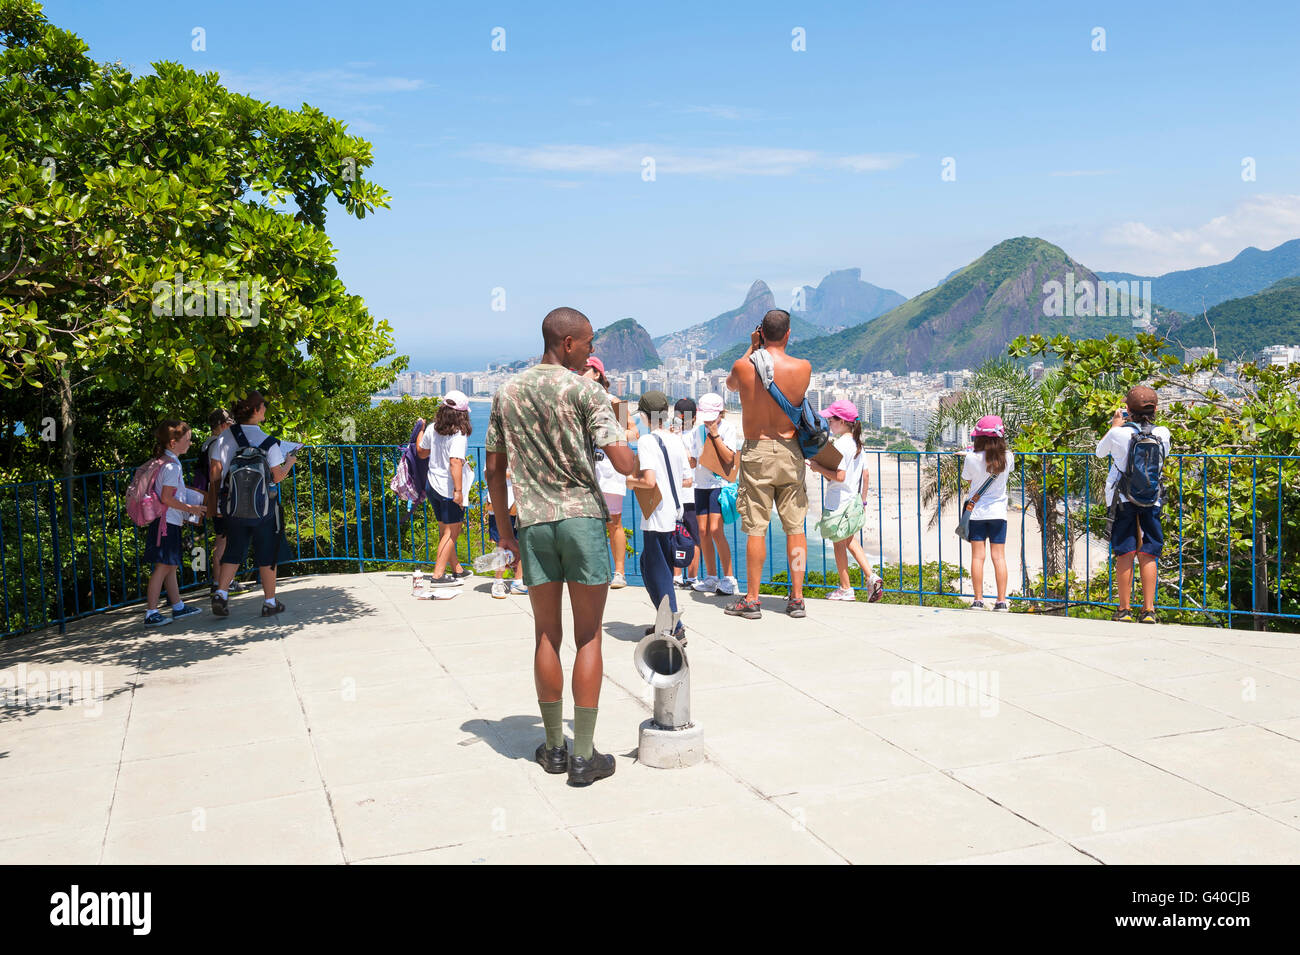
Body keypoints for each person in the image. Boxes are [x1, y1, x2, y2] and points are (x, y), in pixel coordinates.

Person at [485, 307, 637, 787]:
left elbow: (493, 468)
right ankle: (585, 757)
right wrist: (629, 442)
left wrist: (505, 531)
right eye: (589, 341)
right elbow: (623, 460)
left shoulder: (506, 392)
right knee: (588, 637)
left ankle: (553, 749)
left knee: (546, 635)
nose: (594, 349)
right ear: (567, 343)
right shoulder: (586, 391)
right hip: (583, 520)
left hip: (532, 522)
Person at [724, 309, 812, 619]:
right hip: (790, 451)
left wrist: (752, 348)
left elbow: (731, 385)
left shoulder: (743, 366)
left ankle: (752, 598)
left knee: (756, 529)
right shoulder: (803, 368)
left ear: (761, 332)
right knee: (795, 527)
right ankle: (797, 597)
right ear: (789, 334)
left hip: (757, 451)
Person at [209, 392, 299, 618]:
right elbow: (277, 477)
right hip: (264, 508)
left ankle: (221, 593)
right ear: (256, 410)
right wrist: (289, 463)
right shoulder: (268, 442)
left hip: (233, 505)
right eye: (264, 406)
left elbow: (215, 474)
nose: (266, 409)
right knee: (267, 553)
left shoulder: (225, 438)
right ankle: (269, 602)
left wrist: (219, 502)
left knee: (233, 550)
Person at [1096, 385, 1170, 624]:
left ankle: (1124, 609)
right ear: (1155, 409)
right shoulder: (1163, 433)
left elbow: (1099, 452)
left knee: (1125, 552)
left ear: (1127, 409)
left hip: (1122, 499)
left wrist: (1115, 425)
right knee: (1149, 552)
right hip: (1151, 497)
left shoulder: (1119, 433)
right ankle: (1148, 610)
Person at [624, 392, 691, 643]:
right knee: (649, 567)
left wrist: (630, 481)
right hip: (674, 512)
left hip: (656, 515)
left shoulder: (648, 441)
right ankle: (667, 621)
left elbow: (649, 480)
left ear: (643, 415)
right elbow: (687, 479)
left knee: (658, 573)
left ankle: (674, 626)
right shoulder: (675, 439)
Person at [807, 400, 884, 602]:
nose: (829, 423)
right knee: (848, 540)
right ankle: (868, 577)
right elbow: (865, 475)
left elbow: (839, 476)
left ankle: (847, 586)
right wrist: (863, 502)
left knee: (840, 542)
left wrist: (816, 467)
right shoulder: (858, 445)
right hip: (852, 500)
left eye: (831, 419)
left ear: (841, 421)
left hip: (837, 501)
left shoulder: (840, 445)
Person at [143, 421, 208, 626]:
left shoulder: (164, 461)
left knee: (170, 565)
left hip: (167, 522)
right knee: (162, 567)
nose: (190, 443)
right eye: (187, 440)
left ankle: (178, 606)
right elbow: (167, 498)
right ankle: (151, 612)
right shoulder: (171, 466)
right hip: (167, 522)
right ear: (173, 443)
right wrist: (192, 509)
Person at [580, 356, 637, 589]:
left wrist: (614, 439)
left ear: (597, 374)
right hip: (585, 471)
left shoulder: (615, 403)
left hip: (609, 469)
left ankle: (619, 573)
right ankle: (591, 571)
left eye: (585, 369)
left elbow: (633, 431)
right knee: (585, 524)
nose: (580, 373)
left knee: (614, 522)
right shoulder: (578, 401)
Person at [416, 391, 474, 587]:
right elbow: (455, 462)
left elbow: (421, 453)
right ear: (462, 414)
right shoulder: (459, 434)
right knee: (452, 533)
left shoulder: (432, 429)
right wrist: (458, 492)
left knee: (445, 530)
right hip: (449, 490)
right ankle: (438, 576)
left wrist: (420, 430)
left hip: (432, 486)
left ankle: (457, 569)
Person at [687, 392, 741, 595]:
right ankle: (711, 576)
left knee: (717, 530)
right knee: (703, 532)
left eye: (713, 415)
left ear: (721, 413)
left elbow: (729, 458)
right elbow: (693, 461)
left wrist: (715, 434)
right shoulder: (696, 431)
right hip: (700, 485)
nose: (709, 420)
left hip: (719, 484)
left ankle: (729, 578)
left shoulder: (728, 428)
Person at [961, 415, 1015, 611]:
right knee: (999, 557)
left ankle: (978, 599)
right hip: (999, 513)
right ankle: (1001, 601)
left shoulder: (971, 458)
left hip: (977, 513)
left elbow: (968, 479)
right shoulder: (1008, 457)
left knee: (978, 557)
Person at [199, 408, 249, 595]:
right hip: (221, 497)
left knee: (222, 540)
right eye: (230, 423)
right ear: (222, 425)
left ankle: (220, 581)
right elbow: (216, 475)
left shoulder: (208, 443)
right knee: (224, 542)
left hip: (216, 497)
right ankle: (222, 583)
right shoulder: (218, 444)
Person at [671, 397, 700, 589]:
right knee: (694, 538)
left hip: (681, 494)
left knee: (677, 536)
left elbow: (691, 462)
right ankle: (690, 577)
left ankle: (680, 577)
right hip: (692, 493)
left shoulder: (674, 436)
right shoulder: (697, 434)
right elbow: (693, 463)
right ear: (695, 416)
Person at [487, 468, 528, 598]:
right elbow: (490, 473)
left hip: (520, 502)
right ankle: (498, 581)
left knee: (521, 542)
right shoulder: (497, 448)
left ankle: (518, 581)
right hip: (499, 503)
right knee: (501, 545)